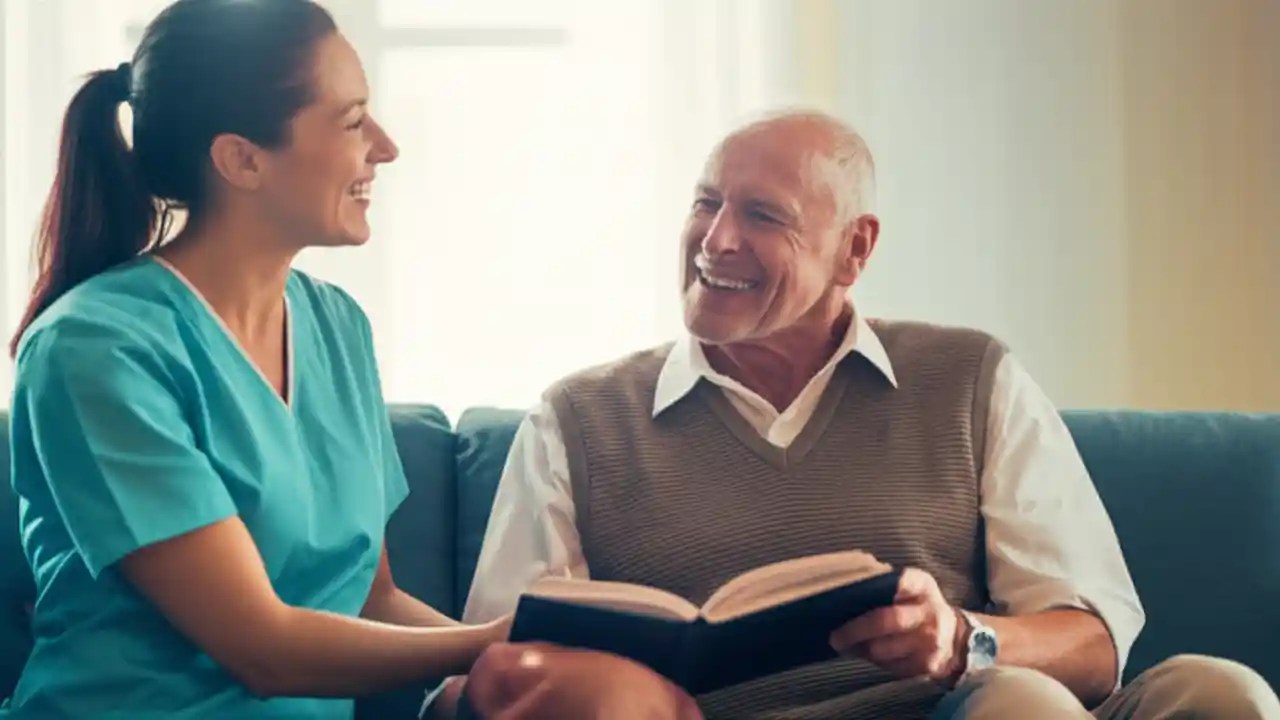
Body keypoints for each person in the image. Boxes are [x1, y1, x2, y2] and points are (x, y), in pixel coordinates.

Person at [438, 111, 1280, 719]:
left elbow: (1095, 644)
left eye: (761, 215)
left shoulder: (969, 377)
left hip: (963, 709)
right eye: (705, 202)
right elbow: (499, 667)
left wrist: (961, 641)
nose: (716, 239)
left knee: (1219, 693)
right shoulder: (578, 419)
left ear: (856, 248)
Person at [1, 1, 507, 718]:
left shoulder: (337, 326)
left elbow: (372, 596)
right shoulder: (95, 349)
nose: (386, 147)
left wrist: (519, 656)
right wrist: (485, 641)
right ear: (241, 158)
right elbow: (261, 648)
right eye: (354, 121)